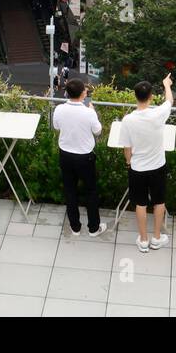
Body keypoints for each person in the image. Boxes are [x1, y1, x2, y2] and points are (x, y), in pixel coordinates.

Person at [117, 73, 174, 252]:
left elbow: (127, 148)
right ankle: (157, 238)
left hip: (137, 168)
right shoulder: (158, 114)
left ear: (135, 96)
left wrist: (129, 162)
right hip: (157, 166)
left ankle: (143, 240)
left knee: (140, 203)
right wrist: (166, 85)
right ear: (151, 97)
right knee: (159, 201)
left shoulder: (128, 120)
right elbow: (169, 101)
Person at [51, 78, 107, 237]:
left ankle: (75, 227)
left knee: (70, 191)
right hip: (85, 157)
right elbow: (97, 131)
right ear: (83, 93)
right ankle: (93, 228)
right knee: (90, 191)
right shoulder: (88, 112)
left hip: (65, 154)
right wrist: (93, 112)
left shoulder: (60, 109)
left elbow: (56, 126)